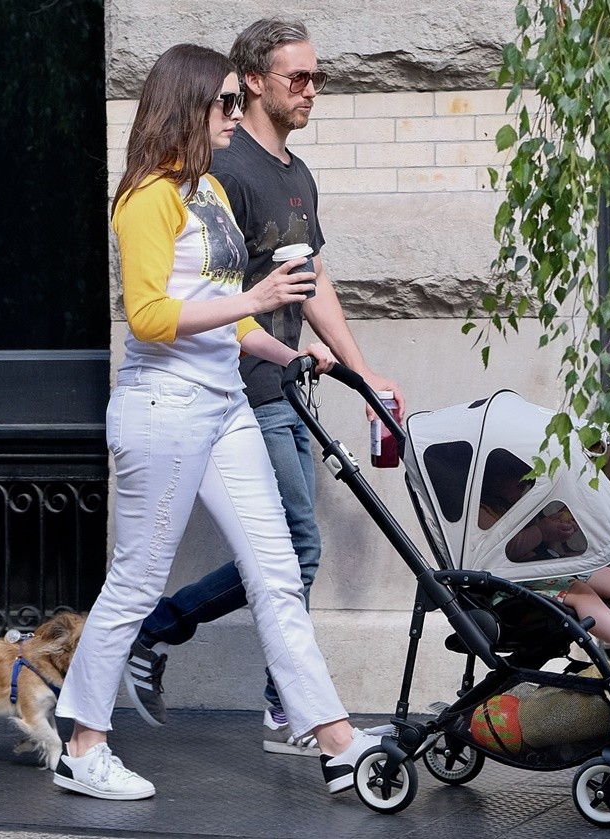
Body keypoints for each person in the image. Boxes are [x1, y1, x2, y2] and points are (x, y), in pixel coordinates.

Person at [52, 43, 380, 802]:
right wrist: (257, 302)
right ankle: (83, 746)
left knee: (276, 572)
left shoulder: (208, 192)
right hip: (162, 408)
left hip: (224, 403)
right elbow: (151, 315)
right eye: (226, 102)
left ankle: (331, 736)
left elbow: (223, 317)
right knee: (134, 582)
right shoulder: (146, 197)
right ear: (187, 105)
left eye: (239, 100)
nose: (237, 114)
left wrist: (289, 353)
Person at [124, 18, 403, 758]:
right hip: (234, 383)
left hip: (279, 378)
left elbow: (311, 281)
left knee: (286, 550)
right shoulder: (225, 167)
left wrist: (361, 367)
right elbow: (189, 292)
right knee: (293, 547)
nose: (313, 90)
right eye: (298, 78)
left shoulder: (295, 175)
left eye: (318, 77)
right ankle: (267, 693)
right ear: (252, 81)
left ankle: (187, 646)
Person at [478, 451, 610, 672]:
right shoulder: (485, 512)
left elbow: (542, 550)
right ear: (495, 480)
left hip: (539, 576)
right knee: (579, 591)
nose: (525, 486)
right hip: (510, 589)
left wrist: (557, 534)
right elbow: (507, 549)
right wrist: (541, 530)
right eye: (518, 481)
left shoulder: (519, 507)